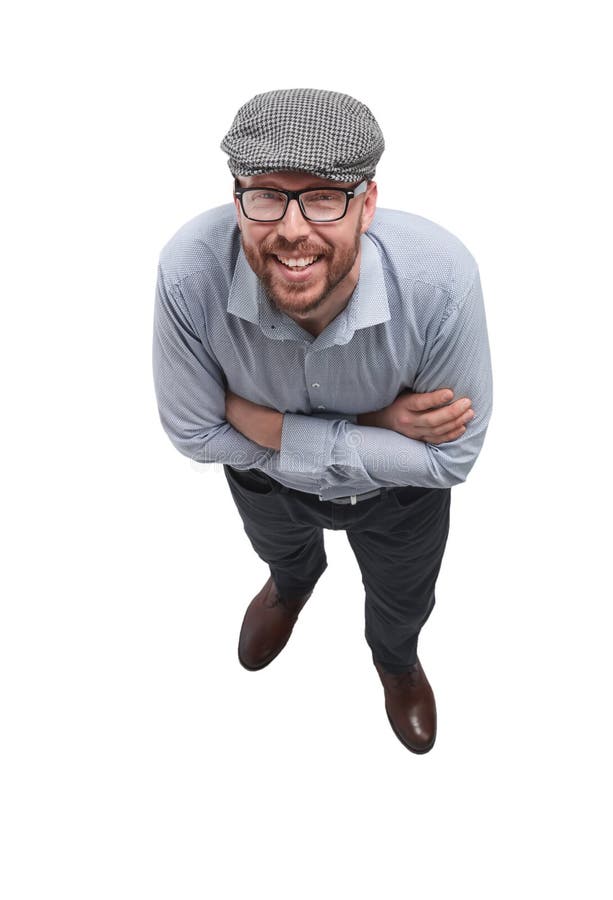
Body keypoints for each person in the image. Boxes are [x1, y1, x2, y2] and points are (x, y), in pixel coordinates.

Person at [152, 88, 493, 754]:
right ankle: (292, 586)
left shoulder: (440, 281)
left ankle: (394, 661)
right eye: (267, 195)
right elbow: (193, 433)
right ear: (236, 201)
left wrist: (262, 422)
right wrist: (379, 419)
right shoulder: (188, 271)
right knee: (279, 550)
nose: (291, 228)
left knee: (403, 594)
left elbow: (448, 460)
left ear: (366, 204)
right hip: (265, 484)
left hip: (398, 500)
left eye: (323, 196)